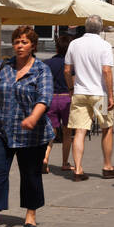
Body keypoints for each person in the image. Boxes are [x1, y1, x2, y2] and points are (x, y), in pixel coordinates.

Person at [0, 26, 55, 227]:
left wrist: (33, 118)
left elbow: (44, 98)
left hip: (31, 134)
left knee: (30, 174)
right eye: (17, 42)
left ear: (32, 46)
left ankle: (30, 213)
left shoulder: (42, 70)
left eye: (24, 42)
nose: (19, 46)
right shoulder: (3, 66)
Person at [65, 15, 114, 180]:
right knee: (106, 128)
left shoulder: (74, 44)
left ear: (85, 27)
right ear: (101, 28)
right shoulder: (104, 45)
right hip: (99, 94)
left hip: (80, 92)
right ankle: (107, 166)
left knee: (79, 130)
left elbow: (67, 70)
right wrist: (110, 95)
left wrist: (70, 87)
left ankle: (78, 169)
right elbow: (106, 71)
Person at [43, 33, 73, 173]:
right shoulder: (71, 65)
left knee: (50, 132)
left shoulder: (47, 63)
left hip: (51, 98)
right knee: (67, 133)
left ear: (56, 48)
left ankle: (45, 158)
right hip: (66, 98)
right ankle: (65, 162)